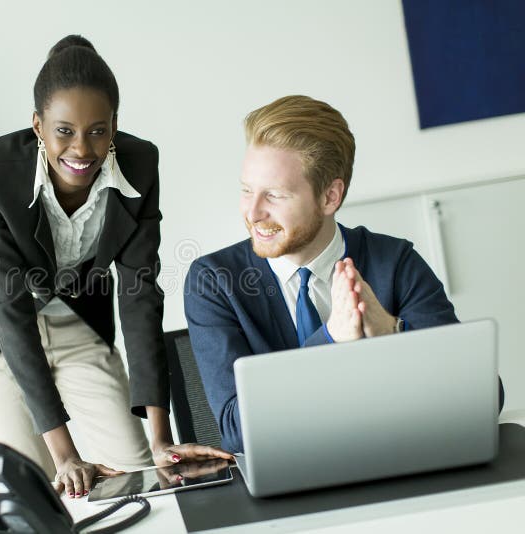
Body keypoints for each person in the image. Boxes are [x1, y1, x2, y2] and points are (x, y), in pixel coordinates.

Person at [0, 35, 231, 498]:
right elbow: (10, 310)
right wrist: (64, 454)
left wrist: (160, 437)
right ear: (38, 126)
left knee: (136, 473)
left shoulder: (141, 163)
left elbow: (140, 293)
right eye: (64, 130)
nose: (82, 149)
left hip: (78, 323)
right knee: (36, 487)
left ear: (115, 126)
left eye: (98, 130)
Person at [183, 95, 504, 454]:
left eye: (274, 195)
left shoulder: (394, 262)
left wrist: (391, 332)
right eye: (246, 190)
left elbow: (484, 395)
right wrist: (332, 339)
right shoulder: (214, 281)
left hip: (397, 461)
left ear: (330, 196)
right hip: (288, 484)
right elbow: (236, 431)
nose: (253, 212)